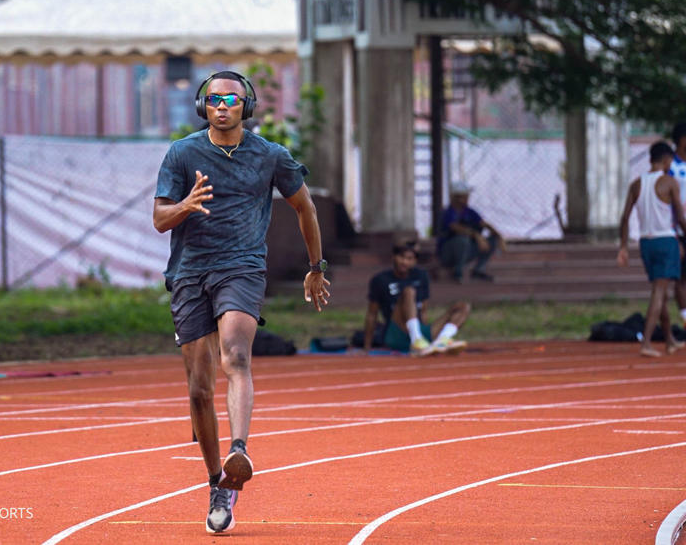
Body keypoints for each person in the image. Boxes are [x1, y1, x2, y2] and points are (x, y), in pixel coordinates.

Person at [153, 70, 330, 535]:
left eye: (232, 98)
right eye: (214, 99)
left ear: (246, 106)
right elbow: (158, 219)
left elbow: (304, 208)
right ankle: (218, 483)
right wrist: (185, 206)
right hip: (190, 273)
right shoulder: (182, 153)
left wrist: (317, 266)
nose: (223, 105)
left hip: (242, 268)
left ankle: (240, 448)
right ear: (203, 106)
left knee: (235, 353)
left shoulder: (270, 156)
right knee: (197, 388)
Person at [618, 140, 686, 357]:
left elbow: (625, 218)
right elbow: (680, 216)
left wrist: (623, 246)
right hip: (665, 240)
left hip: (646, 242)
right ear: (667, 160)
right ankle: (646, 342)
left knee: (660, 292)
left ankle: (669, 340)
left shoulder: (636, 184)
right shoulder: (669, 182)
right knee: (659, 291)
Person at [362, 240, 470, 356]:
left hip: (419, 328)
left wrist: (426, 333)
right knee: (409, 292)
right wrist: (367, 346)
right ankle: (416, 340)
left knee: (463, 306)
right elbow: (372, 314)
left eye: (409, 259)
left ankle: (442, 340)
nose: (404, 262)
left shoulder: (421, 276)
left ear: (415, 261)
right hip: (396, 331)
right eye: (401, 257)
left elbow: (423, 310)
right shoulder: (380, 280)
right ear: (394, 257)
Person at [437, 181, 505, 282]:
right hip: (448, 253)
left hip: (467, 251)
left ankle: (478, 270)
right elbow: (455, 227)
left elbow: (484, 224)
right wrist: (476, 235)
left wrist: (499, 236)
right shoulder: (448, 212)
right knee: (462, 240)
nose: (466, 199)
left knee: (492, 240)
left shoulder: (469, 211)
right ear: (456, 197)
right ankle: (458, 272)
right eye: (464, 196)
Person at [668, 122, 686, 325]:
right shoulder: (670, 166)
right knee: (681, 277)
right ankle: (684, 317)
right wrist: (673, 233)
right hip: (678, 230)